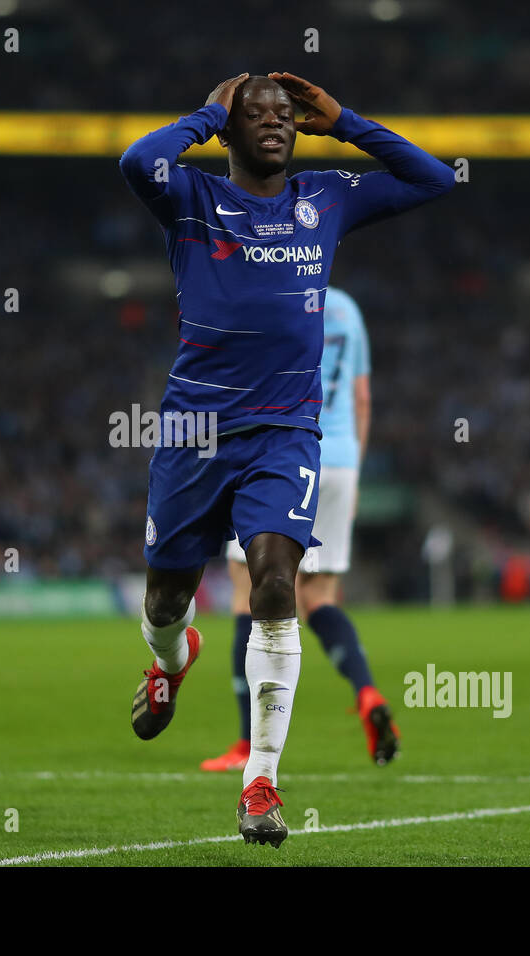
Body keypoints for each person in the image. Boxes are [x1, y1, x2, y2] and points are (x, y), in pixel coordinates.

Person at [119, 72, 453, 846]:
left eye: (286, 116)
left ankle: (260, 782)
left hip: (286, 432)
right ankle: (171, 661)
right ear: (229, 131)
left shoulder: (326, 197)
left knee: (275, 581)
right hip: (194, 434)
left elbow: (432, 178)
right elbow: (137, 162)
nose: (275, 123)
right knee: (167, 599)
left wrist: (347, 123)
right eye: (256, 114)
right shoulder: (191, 198)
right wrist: (205, 113)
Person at [203, 285, 399, 773]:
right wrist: (352, 472)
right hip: (339, 460)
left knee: (246, 588)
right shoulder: (350, 309)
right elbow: (362, 397)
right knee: (321, 597)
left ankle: (249, 744)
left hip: (278, 454)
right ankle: (366, 690)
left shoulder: (274, 294)